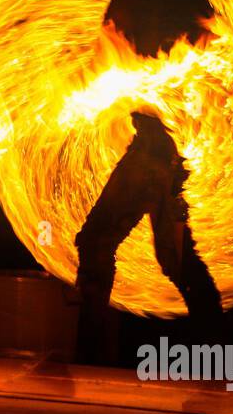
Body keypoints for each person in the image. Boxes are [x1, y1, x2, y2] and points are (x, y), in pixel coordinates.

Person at [73, 111, 222, 364]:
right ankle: (215, 346)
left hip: (152, 150)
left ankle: (93, 353)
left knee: (97, 241)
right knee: (173, 257)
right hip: (157, 149)